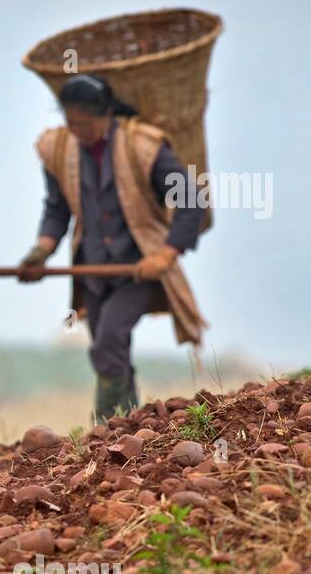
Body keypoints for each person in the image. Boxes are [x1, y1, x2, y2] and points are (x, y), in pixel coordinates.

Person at [18, 74, 209, 423]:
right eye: (70, 123)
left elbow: (190, 199)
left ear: (105, 115)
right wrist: (41, 250)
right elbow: (57, 208)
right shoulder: (59, 150)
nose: (77, 131)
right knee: (109, 347)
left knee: (108, 340)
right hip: (93, 268)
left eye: (85, 123)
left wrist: (165, 255)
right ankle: (131, 426)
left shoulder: (143, 146)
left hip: (138, 267)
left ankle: (105, 427)